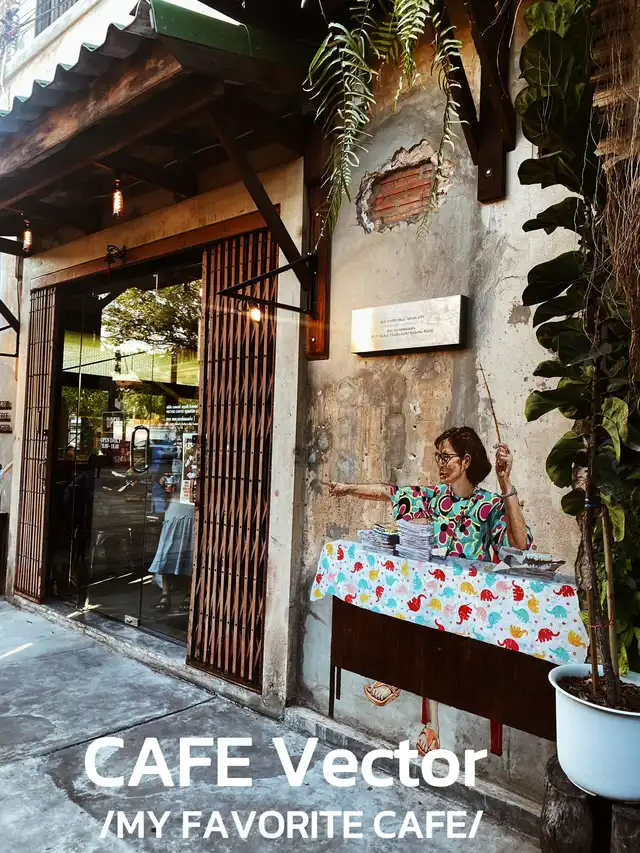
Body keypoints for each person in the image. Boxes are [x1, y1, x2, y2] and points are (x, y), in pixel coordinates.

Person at [328, 425, 532, 754]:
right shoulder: (435, 498)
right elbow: (391, 492)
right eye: (438, 456)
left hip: (470, 603)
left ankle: (403, 682)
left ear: (466, 461)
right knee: (407, 593)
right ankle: (421, 710)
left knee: (431, 613)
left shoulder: (490, 505)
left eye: (445, 457)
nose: (439, 463)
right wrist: (347, 488)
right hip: (434, 600)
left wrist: (505, 482)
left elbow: (520, 544)